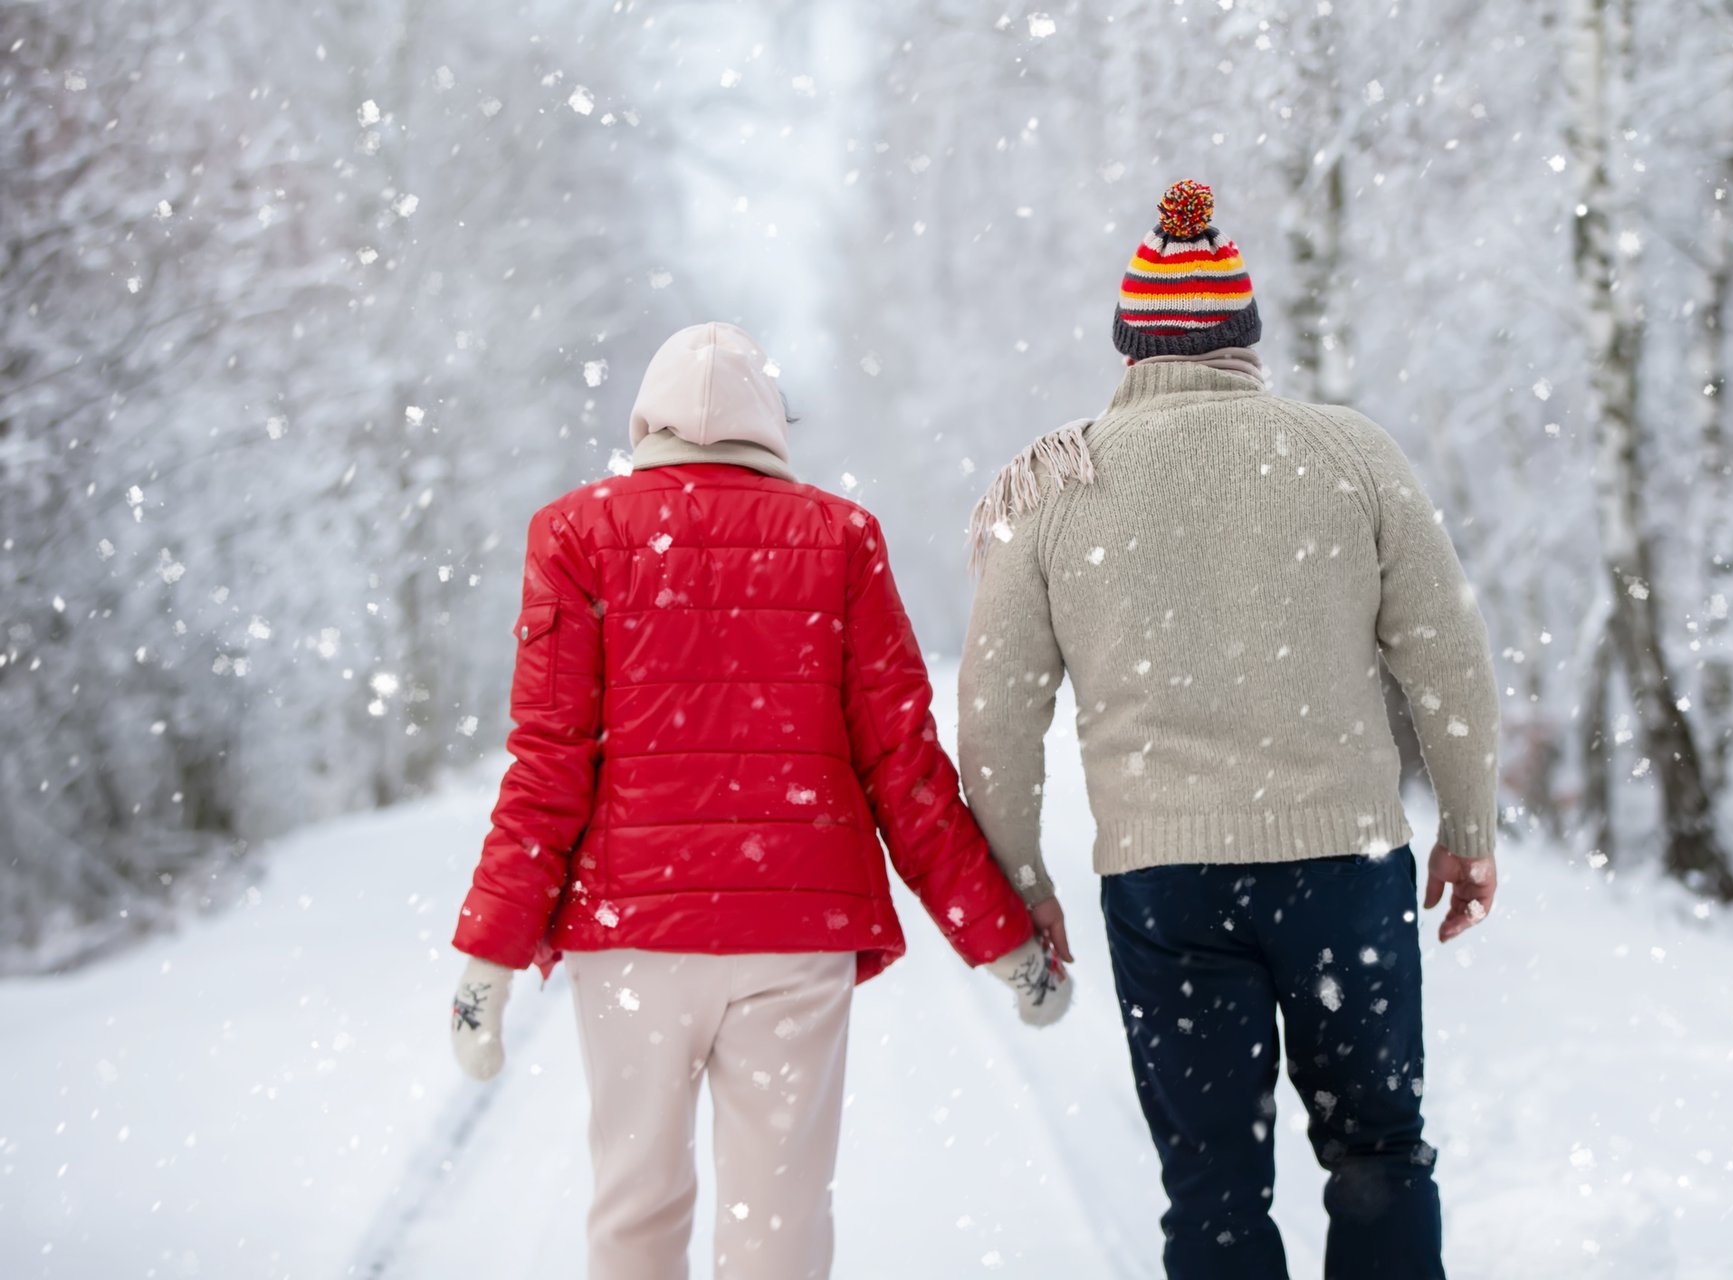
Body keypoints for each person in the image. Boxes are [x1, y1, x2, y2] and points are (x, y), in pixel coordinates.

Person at [446, 321, 1071, 1280]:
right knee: (777, 1223)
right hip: (794, 937)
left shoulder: (575, 534)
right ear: (771, 428)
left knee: (633, 1207)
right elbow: (902, 767)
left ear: (647, 421)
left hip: (631, 942)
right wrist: (1005, 943)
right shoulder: (840, 537)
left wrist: (488, 957)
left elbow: (548, 764)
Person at [957, 180, 1499, 1280]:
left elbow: (996, 711)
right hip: (1344, 867)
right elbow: (1447, 655)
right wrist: (1471, 825)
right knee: (1380, 1152)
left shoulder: (1057, 485)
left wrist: (1022, 876)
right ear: (1246, 336)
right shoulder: (1349, 453)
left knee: (1212, 1186)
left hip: (1168, 885)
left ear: (1128, 346)